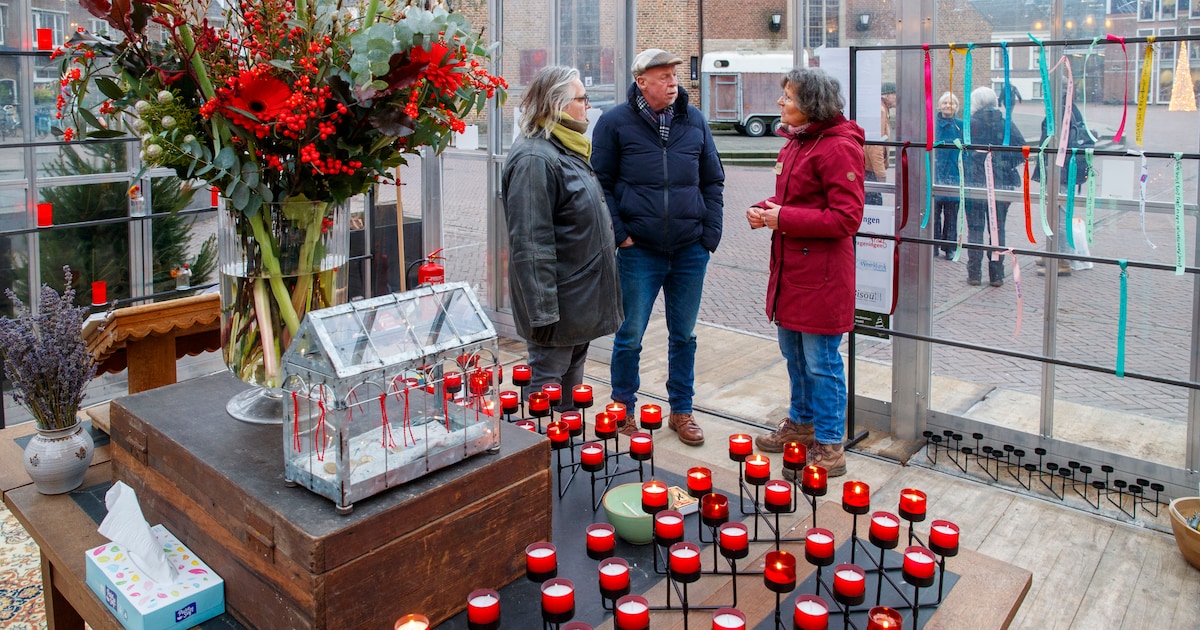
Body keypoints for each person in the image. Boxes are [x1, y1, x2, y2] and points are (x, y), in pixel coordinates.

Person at [591, 49, 725, 445]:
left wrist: (708, 236)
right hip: (639, 252)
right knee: (629, 334)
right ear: (641, 81)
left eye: (674, 75)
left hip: (689, 250)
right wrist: (622, 235)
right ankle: (622, 410)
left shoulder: (694, 120)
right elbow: (600, 183)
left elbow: (712, 180)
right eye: (663, 76)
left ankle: (681, 411)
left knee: (683, 335)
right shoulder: (615, 123)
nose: (673, 83)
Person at [749, 67, 865, 478]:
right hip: (793, 274)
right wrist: (768, 209)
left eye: (788, 96)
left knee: (822, 363)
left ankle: (831, 444)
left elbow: (846, 219)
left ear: (811, 105)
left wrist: (782, 219)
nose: (780, 102)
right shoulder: (798, 142)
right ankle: (801, 424)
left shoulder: (837, 148)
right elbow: (794, 200)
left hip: (821, 279)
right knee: (795, 358)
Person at [501, 65, 623, 401]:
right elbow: (530, 242)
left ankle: (564, 451)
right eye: (582, 99)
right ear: (557, 105)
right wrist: (543, 314)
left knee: (569, 402)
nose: (588, 106)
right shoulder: (535, 158)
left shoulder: (565, 147)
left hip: (575, 305)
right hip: (556, 312)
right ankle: (544, 453)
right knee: (546, 398)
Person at [964, 86, 1024, 287]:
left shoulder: (970, 124)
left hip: (975, 182)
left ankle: (974, 273)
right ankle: (996, 274)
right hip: (1000, 183)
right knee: (998, 229)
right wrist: (1003, 164)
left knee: (975, 228)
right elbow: (1021, 148)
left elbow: (962, 152)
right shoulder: (1005, 123)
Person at [1033, 97, 1094, 277]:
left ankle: (1063, 260)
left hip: (1061, 171)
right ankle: (1053, 253)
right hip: (1060, 170)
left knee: (1060, 217)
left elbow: (1055, 141)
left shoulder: (1061, 111)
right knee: (1054, 214)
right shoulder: (1065, 108)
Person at [934, 92, 963, 259]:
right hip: (936, 173)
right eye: (945, 103)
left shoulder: (960, 125)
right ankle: (934, 244)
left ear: (956, 107)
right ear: (939, 105)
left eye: (951, 104)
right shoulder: (932, 125)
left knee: (952, 214)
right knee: (935, 213)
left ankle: (949, 247)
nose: (947, 106)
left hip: (953, 174)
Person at [864, 82, 895, 206]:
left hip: (869, 168)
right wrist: (881, 173)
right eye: (895, 94)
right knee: (874, 206)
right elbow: (875, 145)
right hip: (870, 170)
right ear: (886, 95)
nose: (896, 98)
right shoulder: (881, 111)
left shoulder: (882, 109)